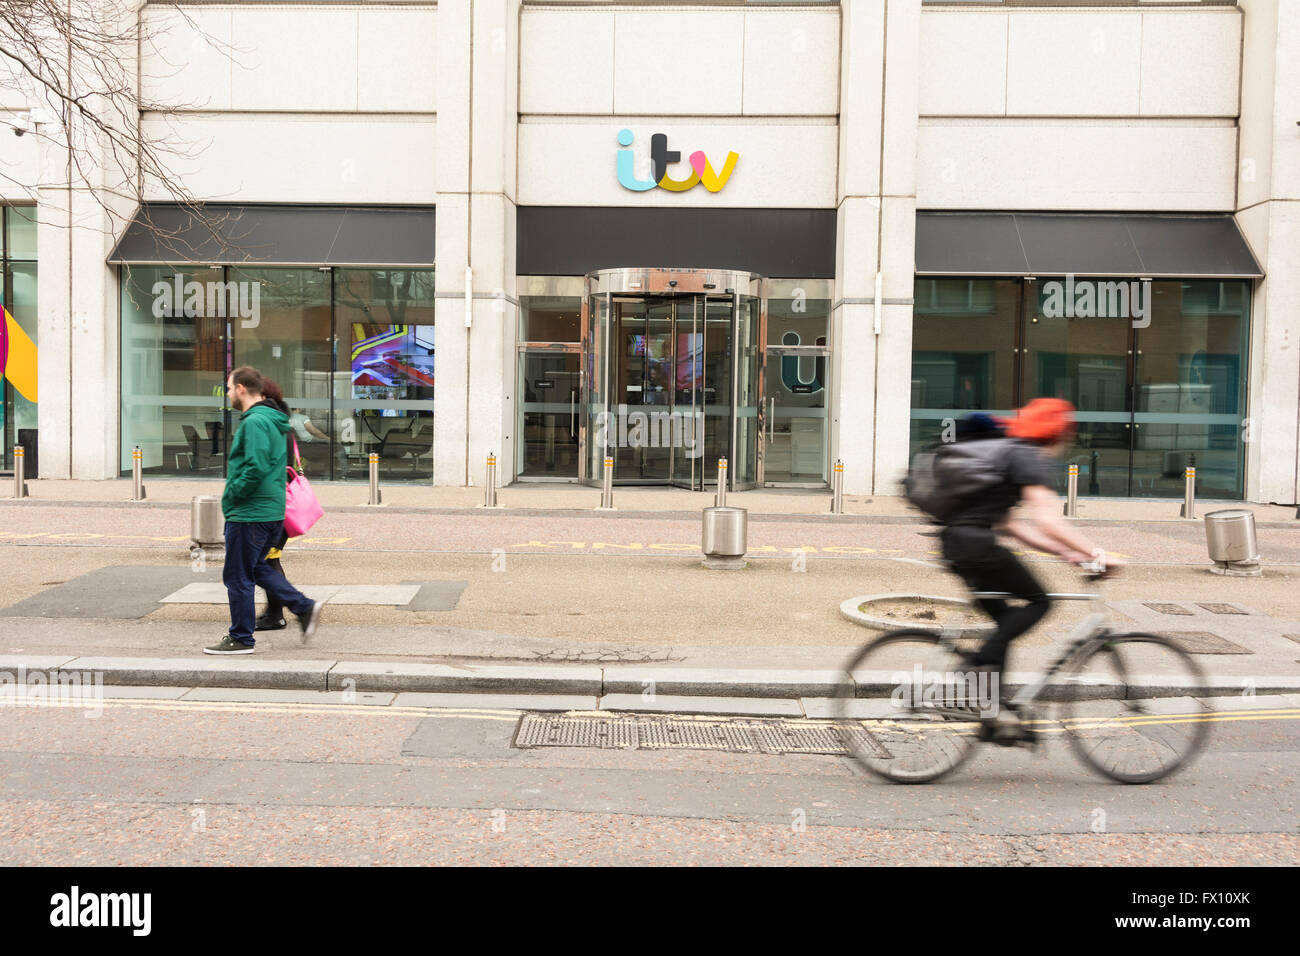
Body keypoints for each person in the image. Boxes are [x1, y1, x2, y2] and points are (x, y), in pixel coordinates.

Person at [940, 399, 1124, 741]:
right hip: (978, 549)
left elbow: (1013, 528)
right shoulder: (1025, 455)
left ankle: (992, 718)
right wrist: (1099, 553)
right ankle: (976, 665)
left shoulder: (1006, 454)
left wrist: (1069, 553)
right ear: (1055, 434)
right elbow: (1047, 519)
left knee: (1005, 624)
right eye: (1066, 435)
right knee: (1040, 602)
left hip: (956, 547)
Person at [205, 366, 323, 654]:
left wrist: (231, 495)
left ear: (242, 389)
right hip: (269, 510)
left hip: (249, 512)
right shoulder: (273, 419)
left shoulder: (255, 422)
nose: (229, 393)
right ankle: (303, 607)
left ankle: (241, 638)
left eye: (230, 388)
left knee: (237, 576)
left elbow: (255, 467)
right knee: (256, 567)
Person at [254, 378, 301, 633]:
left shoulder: (268, 423)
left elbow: (262, 465)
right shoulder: (280, 422)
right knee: (268, 559)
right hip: (279, 501)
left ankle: (293, 608)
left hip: (273, 504)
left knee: (262, 561)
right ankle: (276, 612)